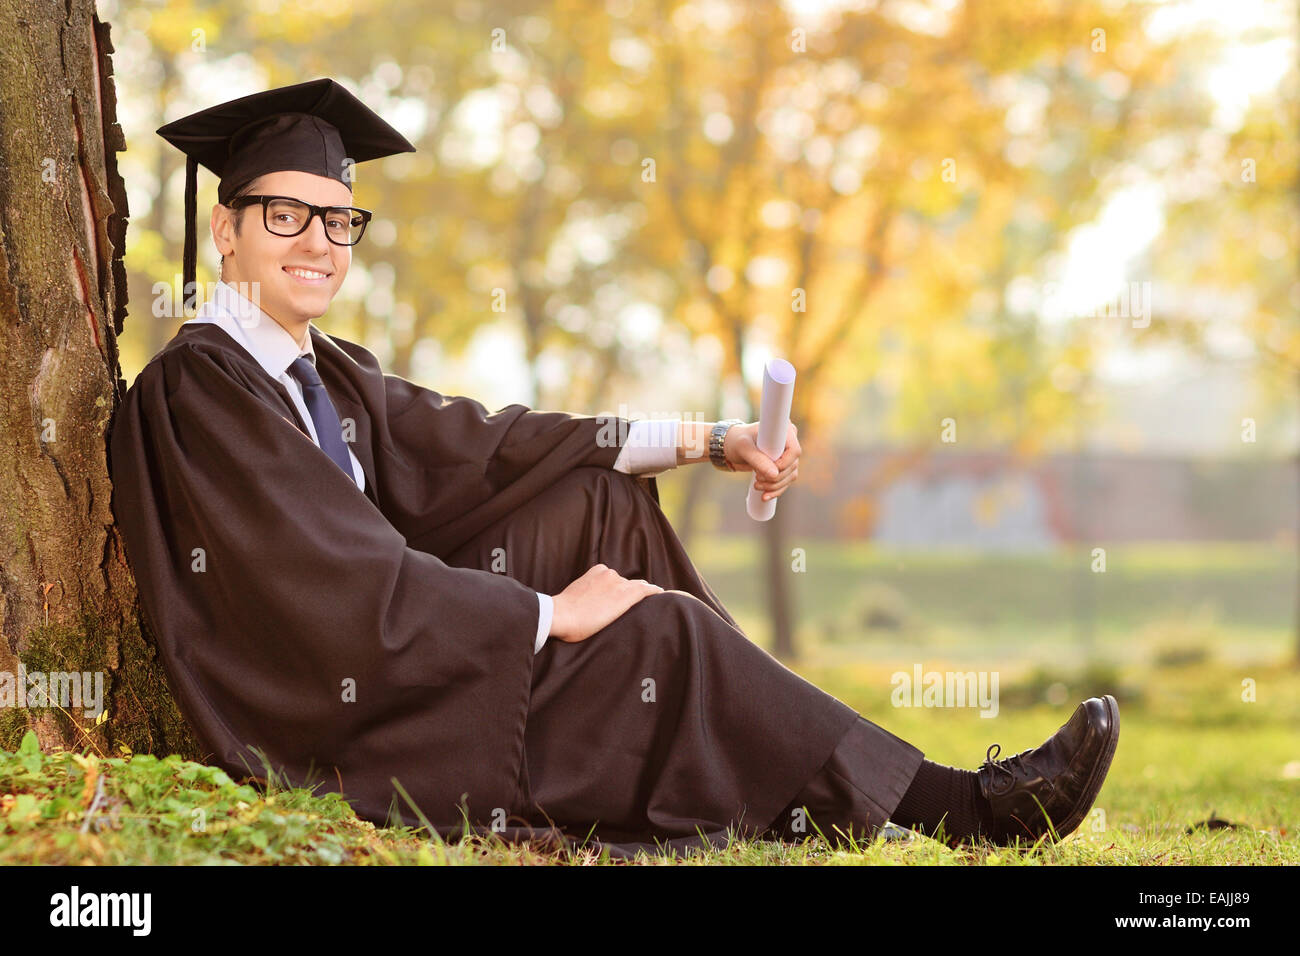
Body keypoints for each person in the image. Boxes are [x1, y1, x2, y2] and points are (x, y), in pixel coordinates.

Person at [108, 78, 1120, 859]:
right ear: (227, 230)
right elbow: (334, 585)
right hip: (346, 714)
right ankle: (961, 809)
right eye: (285, 215)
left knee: (596, 494)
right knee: (660, 623)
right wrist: (550, 615)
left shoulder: (319, 369)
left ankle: (793, 771)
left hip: (394, 654)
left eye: (339, 220)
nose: (320, 243)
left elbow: (483, 441)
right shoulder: (207, 385)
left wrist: (710, 438)